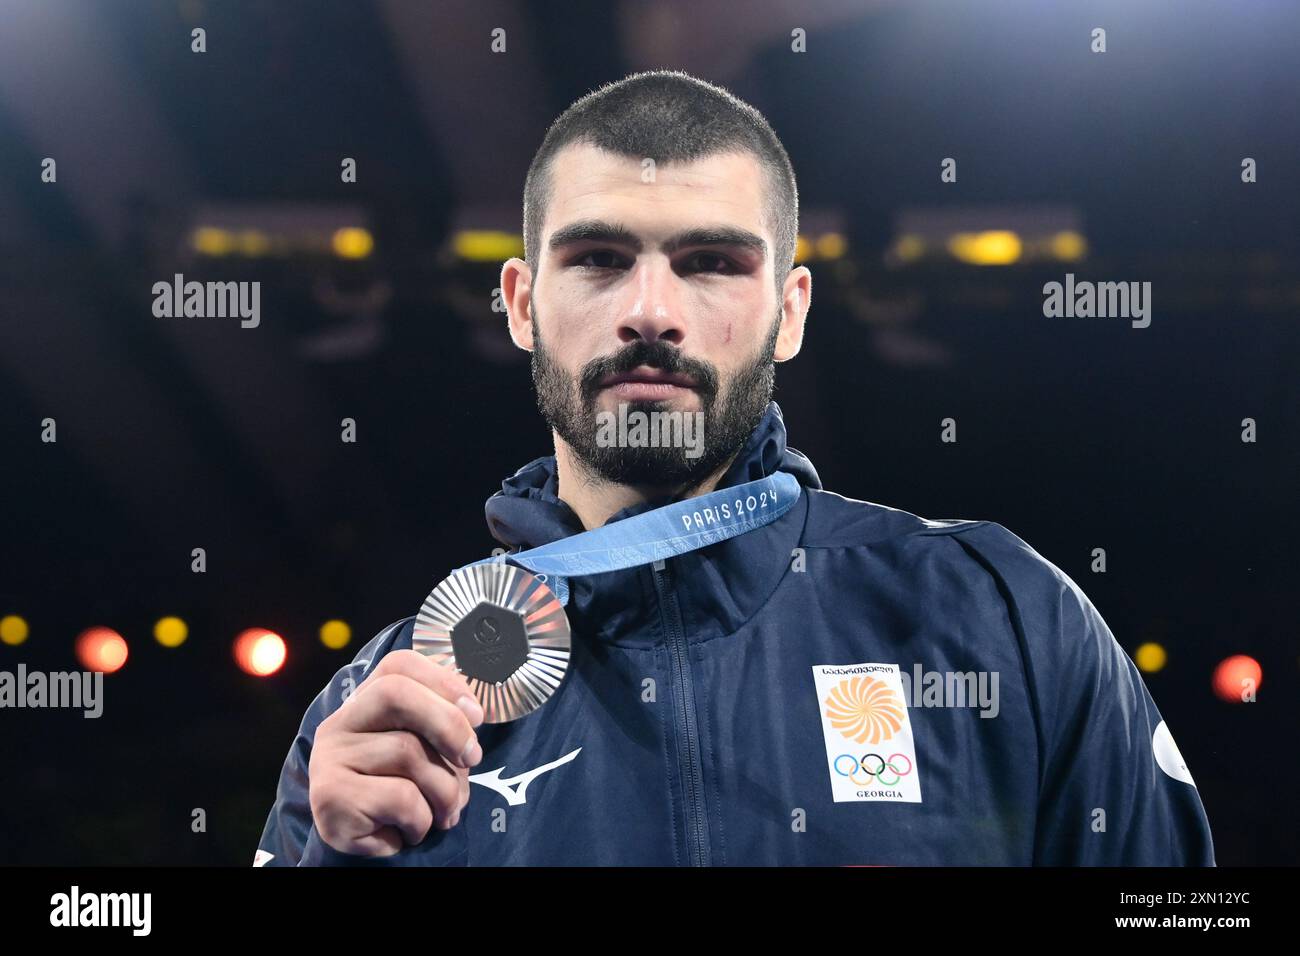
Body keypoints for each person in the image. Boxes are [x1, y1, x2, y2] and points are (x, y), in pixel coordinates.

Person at [256, 70, 1214, 866]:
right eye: (596, 257)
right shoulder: (384, 709)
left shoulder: (998, 616)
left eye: (711, 261)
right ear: (520, 304)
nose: (651, 312)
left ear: (790, 311)